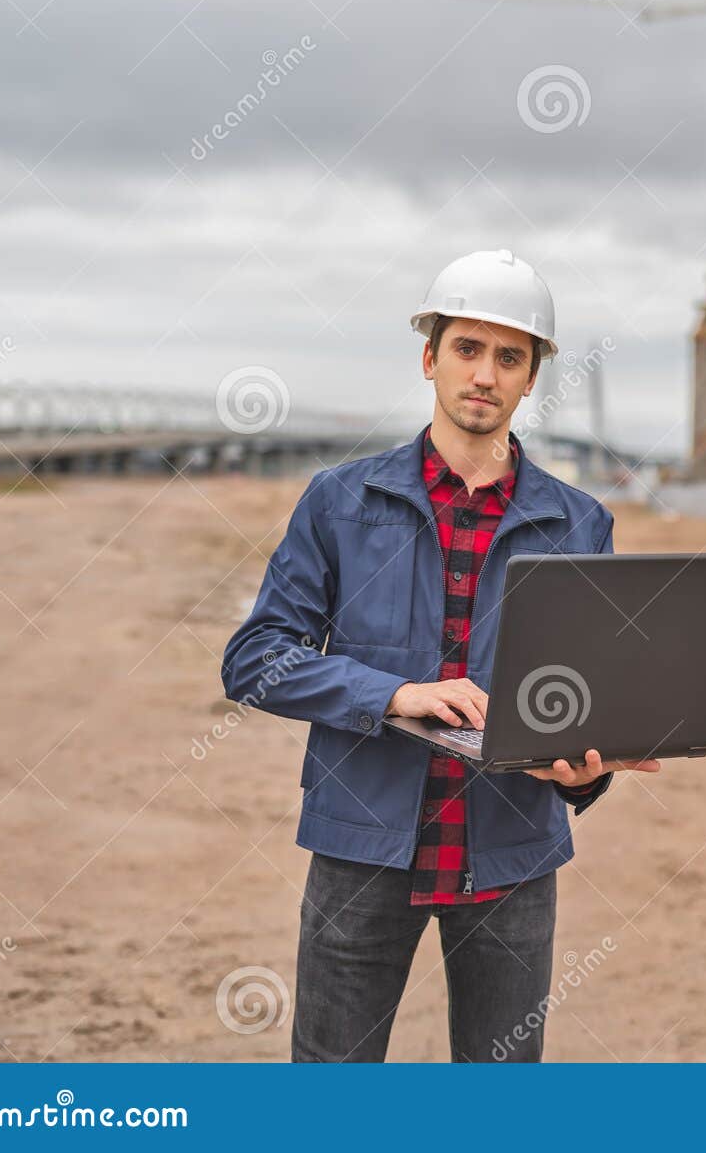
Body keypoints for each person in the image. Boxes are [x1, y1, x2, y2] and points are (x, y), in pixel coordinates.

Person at [220, 248, 660, 1062]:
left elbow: (579, 700)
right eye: (467, 349)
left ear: (531, 379)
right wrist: (394, 695)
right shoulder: (340, 502)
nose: (485, 374)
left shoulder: (581, 525)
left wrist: (584, 771)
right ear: (430, 357)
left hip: (511, 862)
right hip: (361, 851)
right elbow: (256, 659)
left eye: (509, 357)